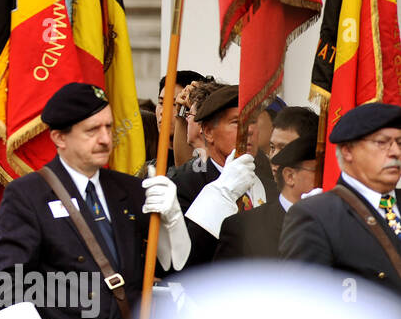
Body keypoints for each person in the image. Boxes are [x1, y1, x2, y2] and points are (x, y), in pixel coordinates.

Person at [0, 82, 190, 319]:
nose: (105, 139)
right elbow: (4, 286)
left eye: (109, 127)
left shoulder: (127, 189)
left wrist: (172, 217)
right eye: (92, 130)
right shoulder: (29, 195)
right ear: (59, 138)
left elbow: (172, 263)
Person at [282, 102, 401, 295]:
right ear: (347, 151)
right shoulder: (317, 216)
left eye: (399, 142)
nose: (395, 152)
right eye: (382, 142)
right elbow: (305, 304)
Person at [172, 84, 267, 265]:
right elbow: (183, 260)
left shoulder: (270, 186)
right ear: (208, 132)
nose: (250, 130)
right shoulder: (185, 186)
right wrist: (223, 194)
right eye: (237, 122)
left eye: (253, 121)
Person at [215, 134, 317, 261]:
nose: (325, 179)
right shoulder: (242, 228)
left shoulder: (330, 225)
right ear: (290, 176)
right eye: (317, 172)